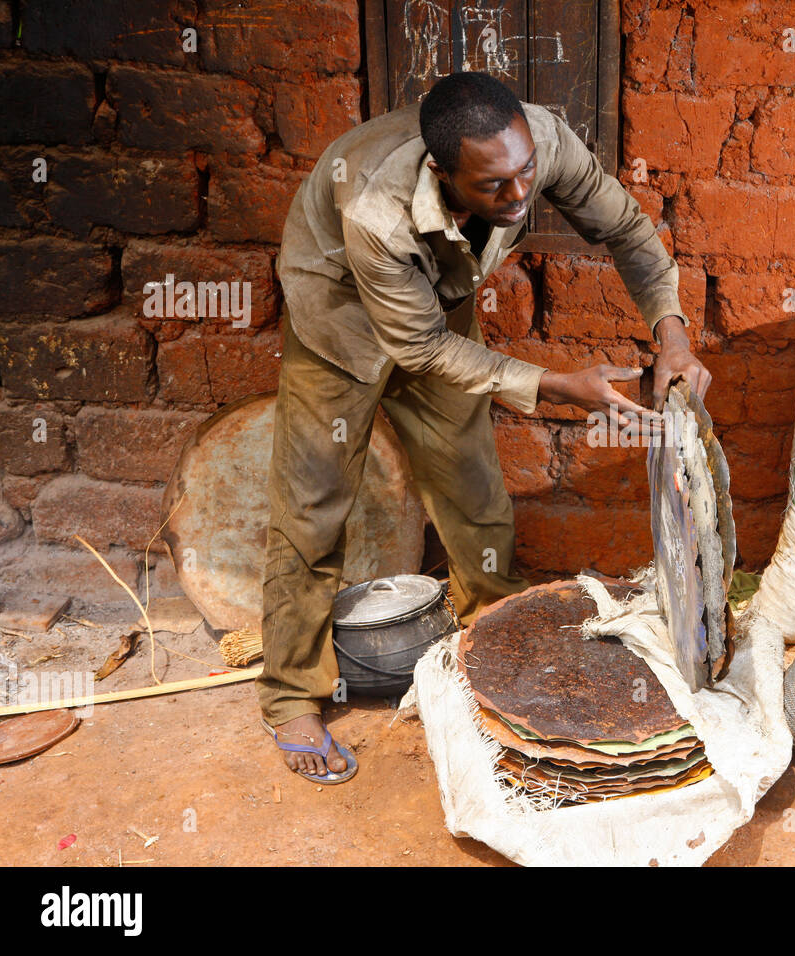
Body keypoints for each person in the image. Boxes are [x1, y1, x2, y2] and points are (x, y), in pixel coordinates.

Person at [259, 71, 711, 782]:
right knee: (313, 507)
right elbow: (416, 350)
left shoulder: (541, 143)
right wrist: (559, 385)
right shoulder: (379, 211)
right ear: (442, 173)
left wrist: (674, 336)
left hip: (434, 309)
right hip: (341, 320)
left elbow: (628, 230)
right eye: (494, 186)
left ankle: (494, 638)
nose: (520, 193)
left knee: (473, 489)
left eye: (526, 171)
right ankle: (292, 696)